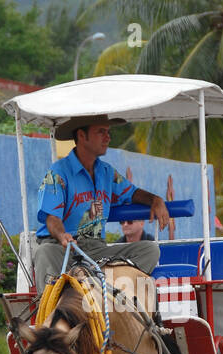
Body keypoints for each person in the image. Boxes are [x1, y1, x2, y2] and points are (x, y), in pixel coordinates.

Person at [32, 116, 169, 290]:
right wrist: (62, 236)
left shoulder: (106, 172)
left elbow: (132, 193)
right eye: (101, 132)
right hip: (63, 249)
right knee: (45, 252)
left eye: (108, 132)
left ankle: (102, 290)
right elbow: (52, 218)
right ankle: (52, 312)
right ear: (82, 136)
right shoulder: (58, 173)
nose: (108, 137)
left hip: (97, 251)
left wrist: (155, 200)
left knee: (150, 250)